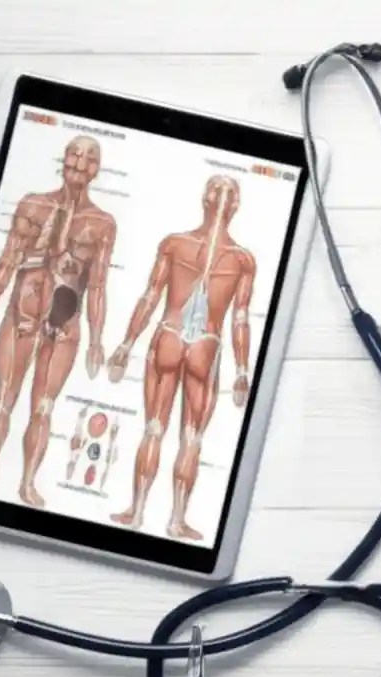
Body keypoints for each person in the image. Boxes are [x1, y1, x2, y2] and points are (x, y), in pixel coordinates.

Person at [0, 136, 116, 508]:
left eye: (89, 157)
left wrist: (96, 339)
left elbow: (98, 284)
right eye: (74, 153)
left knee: (43, 406)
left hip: (66, 323)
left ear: (96, 170)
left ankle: (27, 484)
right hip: (21, 314)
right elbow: (9, 258)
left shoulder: (103, 223)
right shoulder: (33, 204)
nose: (80, 161)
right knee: (3, 397)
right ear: (63, 159)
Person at [106, 175, 255, 540]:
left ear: (205, 198)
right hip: (207, 343)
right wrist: (241, 369)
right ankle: (174, 521)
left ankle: (137, 512)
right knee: (191, 438)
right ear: (235, 205)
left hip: (169, 335)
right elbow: (240, 317)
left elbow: (151, 295)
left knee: (154, 428)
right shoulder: (241, 259)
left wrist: (126, 344)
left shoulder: (176, 244)